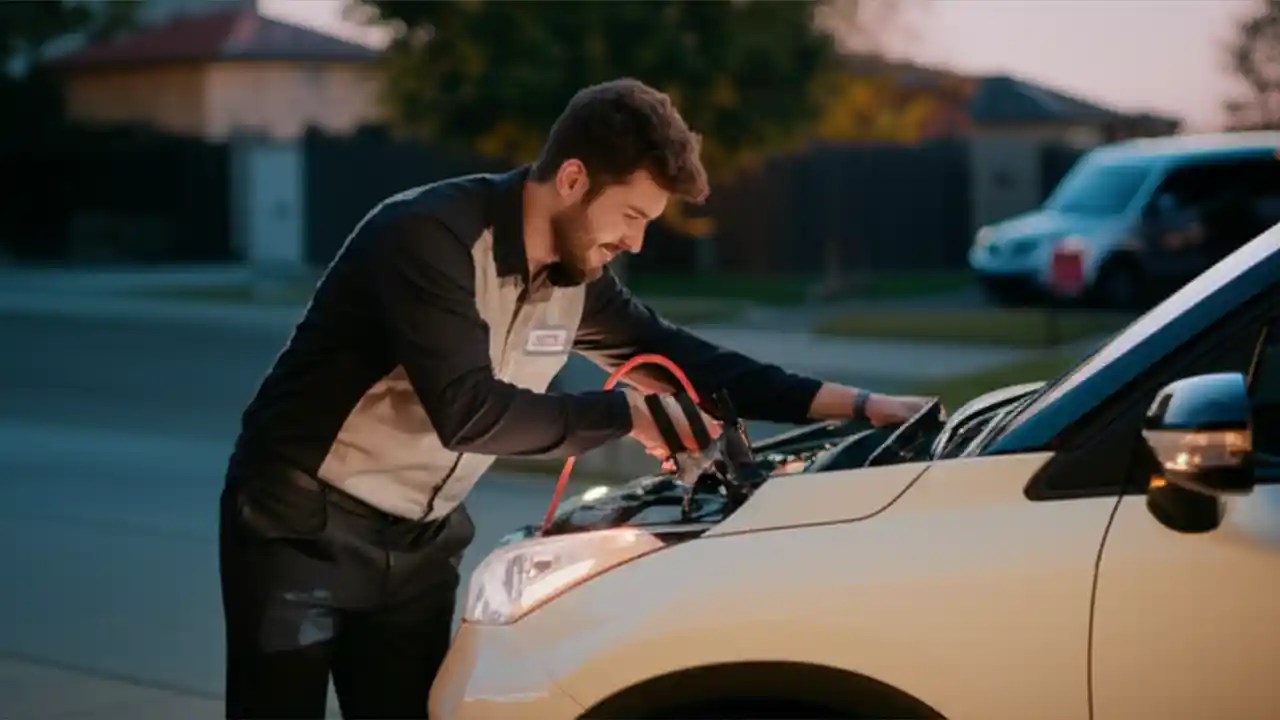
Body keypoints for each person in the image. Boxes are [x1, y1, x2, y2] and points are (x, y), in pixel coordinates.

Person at [218, 77, 937, 719]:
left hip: (420, 543)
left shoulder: (576, 276)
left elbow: (682, 361)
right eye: (630, 215)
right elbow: (468, 411)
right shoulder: (427, 238)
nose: (635, 241)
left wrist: (855, 403)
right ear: (571, 179)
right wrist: (624, 413)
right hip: (298, 525)